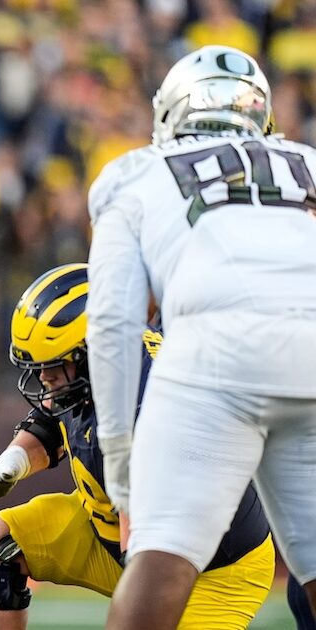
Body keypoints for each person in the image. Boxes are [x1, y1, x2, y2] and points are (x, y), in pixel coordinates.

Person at [84, 45, 316, 628]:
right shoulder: (307, 160)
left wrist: (118, 456)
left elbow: (113, 322)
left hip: (216, 356)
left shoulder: (137, 171)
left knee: (162, 553)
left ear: (170, 111)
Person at [0, 263, 274, 630]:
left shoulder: (151, 412)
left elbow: (144, 555)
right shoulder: (102, 370)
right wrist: (13, 460)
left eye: (55, 367)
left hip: (207, 571)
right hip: (106, 528)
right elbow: (55, 415)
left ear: (93, 352)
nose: (44, 380)